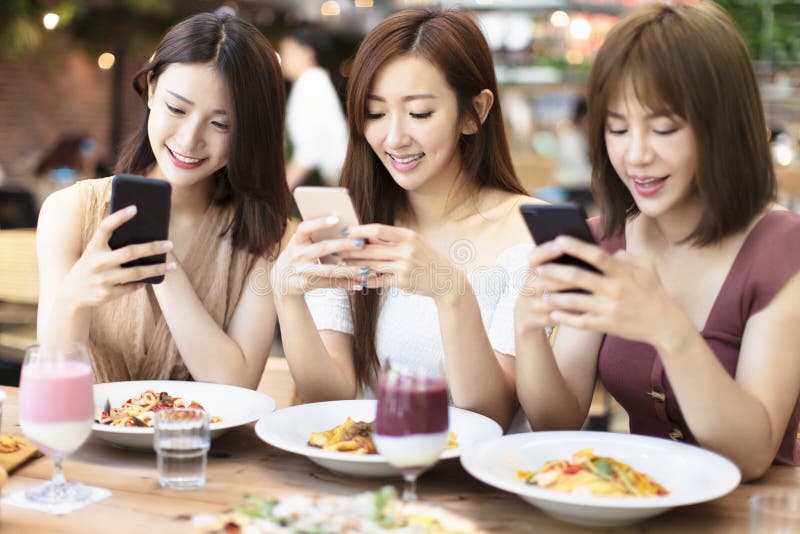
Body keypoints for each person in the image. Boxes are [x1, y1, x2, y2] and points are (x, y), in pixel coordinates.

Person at [514, 2, 800, 479]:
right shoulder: (605, 242)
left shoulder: (782, 251)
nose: (636, 155)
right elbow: (556, 420)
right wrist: (527, 330)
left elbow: (752, 454)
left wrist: (667, 328)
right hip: (639, 500)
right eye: (617, 128)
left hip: (755, 510)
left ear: (723, 126)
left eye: (664, 128)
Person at [271, 9, 544, 431]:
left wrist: (452, 293)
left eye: (419, 113)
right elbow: (330, 398)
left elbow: (491, 416)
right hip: (367, 464)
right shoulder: (352, 224)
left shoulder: (528, 232)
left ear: (474, 112)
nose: (394, 138)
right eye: (375, 113)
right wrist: (286, 297)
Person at [35, 12, 291, 387]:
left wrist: (163, 268)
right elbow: (52, 376)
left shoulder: (265, 237)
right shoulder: (70, 211)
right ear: (152, 89)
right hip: (86, 425)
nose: (189, 140)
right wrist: (74, 297)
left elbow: (235, 387)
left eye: (221, 124)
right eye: (177, 109)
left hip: (203, 429)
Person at [279, 26, 348, 190]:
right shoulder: (314, 80)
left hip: (341, 178)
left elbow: (310, 151)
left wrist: (280, 190)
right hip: (339, 176)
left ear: (307, 53)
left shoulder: (310, 83)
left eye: (287, 53)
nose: (283, 60)